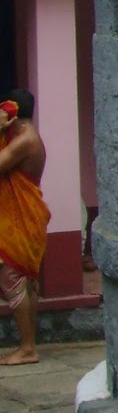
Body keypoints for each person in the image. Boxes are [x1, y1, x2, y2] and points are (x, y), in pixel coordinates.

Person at [0, 89, 50, 366]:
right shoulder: (23, 138)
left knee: (14, 281)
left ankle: (28, 348)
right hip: (24, 219)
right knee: (26, 282)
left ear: (13, 111)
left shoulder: (25, 141)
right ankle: (28, 345)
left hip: (20, 220)